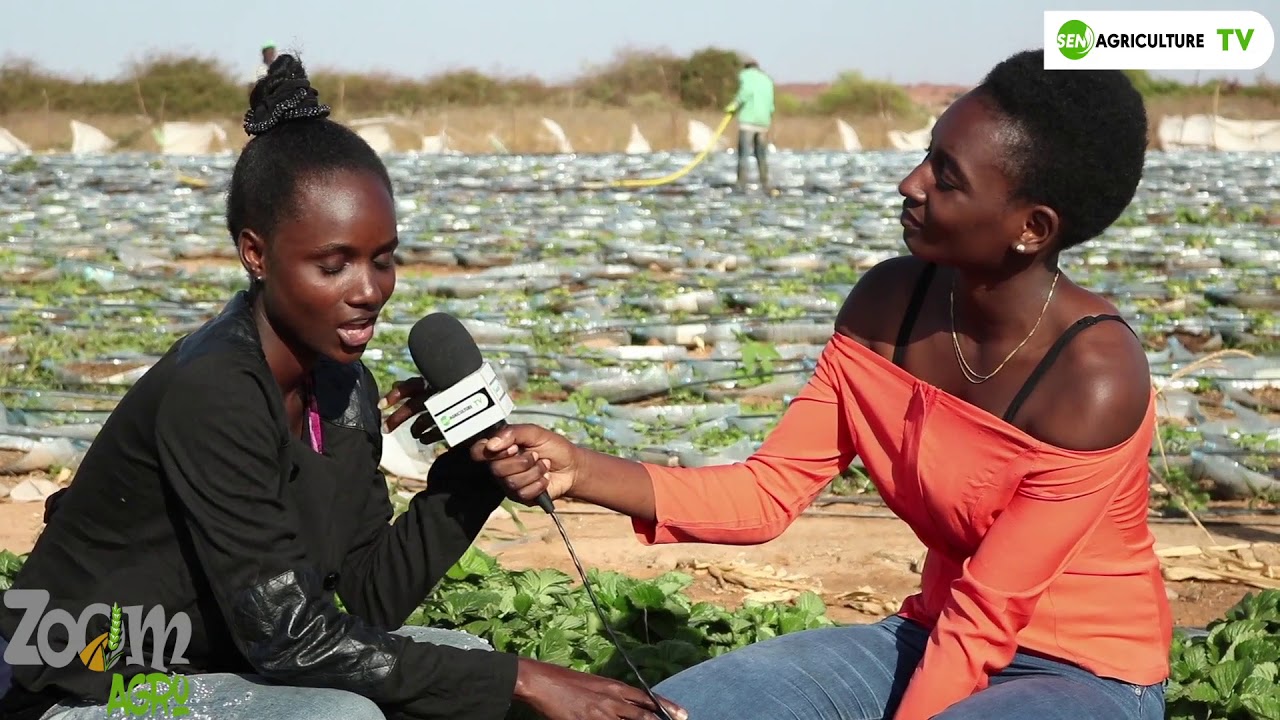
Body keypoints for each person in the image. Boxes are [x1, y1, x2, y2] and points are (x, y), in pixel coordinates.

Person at [477, 48, 1169, 720]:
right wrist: (578, 471)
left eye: (946, 176)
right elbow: (767, 492)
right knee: (678, 712)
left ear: (1032, 227)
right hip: (928, 635)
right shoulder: (887, 305)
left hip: (1082, 673)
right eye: (929, 153)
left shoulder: (1093, 376)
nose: (911, 182)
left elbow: (987, 614)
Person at [0, 54, 684, 720]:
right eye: (335, 265)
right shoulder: (215, 389)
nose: (368, 292)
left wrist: (468, 479)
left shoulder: (344, 386)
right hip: (84, 678)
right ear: (256, 254)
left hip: (220, 658)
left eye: (382, 261)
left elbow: (361, 603)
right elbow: (293, 641)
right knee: (342, 712)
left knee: (459, 652)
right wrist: (524, 678)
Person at [724, 60, 776, 195]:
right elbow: (771, 104)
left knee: (744, 154)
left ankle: (741, 184)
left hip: (748, 121)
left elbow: (745, 92)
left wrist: (734, 105)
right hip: (763, 122)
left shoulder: (746, 76)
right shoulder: (767, 80)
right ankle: (765, 182)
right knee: (761, 155)